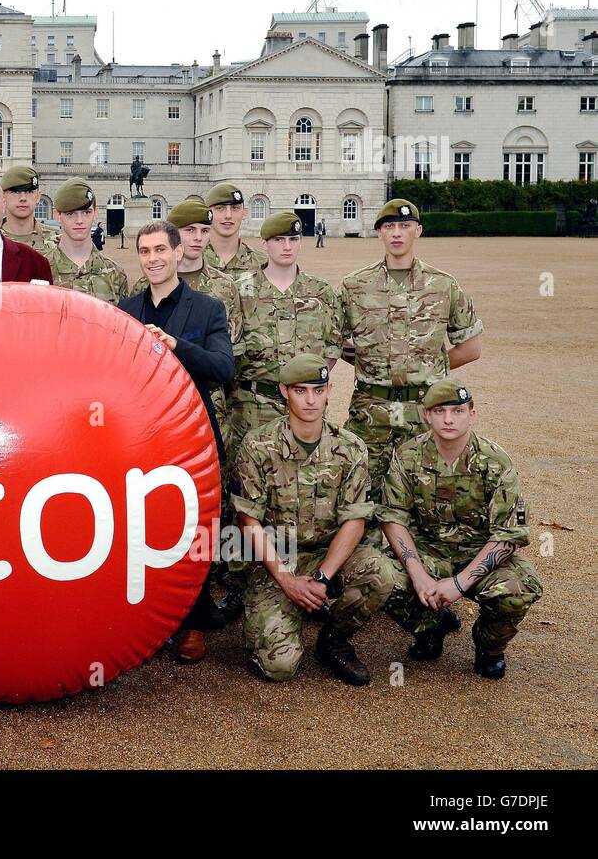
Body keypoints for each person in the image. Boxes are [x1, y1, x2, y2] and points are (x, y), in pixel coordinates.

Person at [232, 354, 397, 685]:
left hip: (329, 554)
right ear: (283, 391)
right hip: (278, 559)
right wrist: (287, 581)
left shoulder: (351, 448)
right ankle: (288, 612)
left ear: (329, 390)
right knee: (278, 667)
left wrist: (322, 579)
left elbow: (354, 521)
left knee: (380, 573)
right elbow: (248, 522)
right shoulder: (258, 446)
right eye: (301, 390)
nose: (310, 400)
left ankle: (334, 639)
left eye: (318, 390)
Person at [118, 220, 234, 663]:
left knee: (195, 527)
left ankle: (193, 620)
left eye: (159, 250)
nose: (152, 259)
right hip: (138, 438)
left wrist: (175, 346)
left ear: (178, 251)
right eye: (144, 252)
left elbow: (224, 369)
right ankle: (144, 615)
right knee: (143, 523)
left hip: (192, 436)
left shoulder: (208, 309)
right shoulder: (126, 309)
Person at [378, 378, 542, 679]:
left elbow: (508, 536)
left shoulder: (495, 461)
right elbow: (393, 516)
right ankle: (431, 627)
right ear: (427, 415)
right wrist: (418, 574)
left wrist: (458, 583)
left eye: (458, 411)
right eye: (439, 411)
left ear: (472, 415)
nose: (449, 419)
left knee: (518, 590)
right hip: (427, 551)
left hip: (479, 553)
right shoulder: (407, 455)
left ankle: (489, 647)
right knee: (378, 574)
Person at [339, 199, 483, 498]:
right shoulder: (355, 286)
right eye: (389, 226)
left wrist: (425, 367)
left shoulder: (443, 285)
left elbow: (470, 347)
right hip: (370, 411)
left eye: (404, 226)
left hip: (425, 409)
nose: (397, 233)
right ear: (379, 232)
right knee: (361, 492)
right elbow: (332, 340)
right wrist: (371, 363)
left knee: (426, 492)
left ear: (418, 230)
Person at [229, 210, 342, 451]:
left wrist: (306, 382)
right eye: (278, 240)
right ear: (264, 243)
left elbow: (332, 349)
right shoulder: (239, 292)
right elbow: (230, 350)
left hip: (306, 407)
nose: (286, 246)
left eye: (293, 239)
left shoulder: (320, 292)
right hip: (253, 407)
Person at [37, 178, 129, 303]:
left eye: (86, 212)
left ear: (95, 213)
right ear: (57, 215)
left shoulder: (115, 274)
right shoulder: (39, 270)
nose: (80, 220)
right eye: (70, 213)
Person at [203, 182, 267, 275]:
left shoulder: (263, 263)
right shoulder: (191, 261)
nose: (228, 215)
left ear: (244, 213)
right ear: (207, 213)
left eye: (235, 208)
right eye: (220, 208)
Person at [0, 165, 59, 249]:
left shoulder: (59, 241)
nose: (23, 198)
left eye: (29, 192)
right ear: (3, 197)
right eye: (15, 192)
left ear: (38, 196)